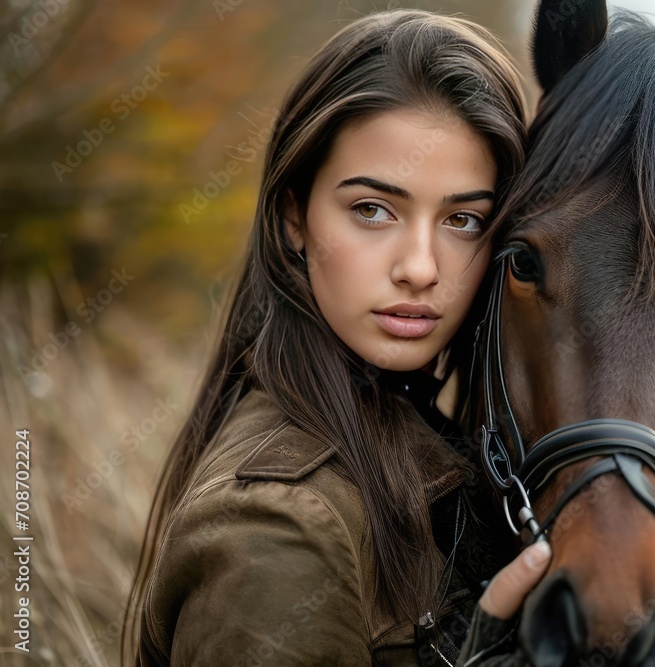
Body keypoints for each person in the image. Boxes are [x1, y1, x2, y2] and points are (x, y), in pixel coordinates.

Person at [122, 10, 550, 665]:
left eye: (463, 219)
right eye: (372, 210)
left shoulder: (418, 429)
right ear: (294, 215)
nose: (419, 267)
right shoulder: (278, 528)